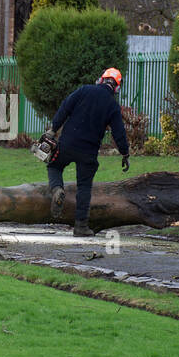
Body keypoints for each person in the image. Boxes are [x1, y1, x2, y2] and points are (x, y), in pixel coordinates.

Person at [46, 67, 130, 236]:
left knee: (54, 166)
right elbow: (119, 132)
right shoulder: (112, 105)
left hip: (67, 144)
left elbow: (65, 108)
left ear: (101, 79)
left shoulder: (84, 90)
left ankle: (56, 189)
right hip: (88, 152)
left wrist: (52, 130)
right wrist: (125, 153)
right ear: (117, 88)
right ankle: (81, 226)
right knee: (84, 187)